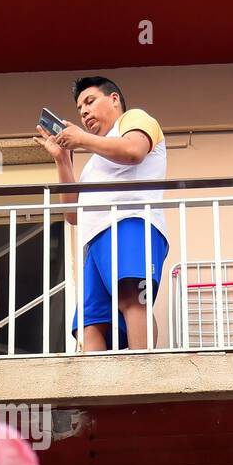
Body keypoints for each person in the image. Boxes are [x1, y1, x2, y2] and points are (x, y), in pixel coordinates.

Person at [34, 76, 168, 352]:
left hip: (131, 221)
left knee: (132, 295)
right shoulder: (94, 163)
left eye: (90, 101)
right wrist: (62, 158)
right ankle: (99, 391)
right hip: (94, 242)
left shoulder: (135, 119)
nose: (83, 111)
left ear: (114, 99)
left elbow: (133, 151)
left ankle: (142, 371)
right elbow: (73, 213)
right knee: (91, 321)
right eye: (80, 107)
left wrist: (82, 139)